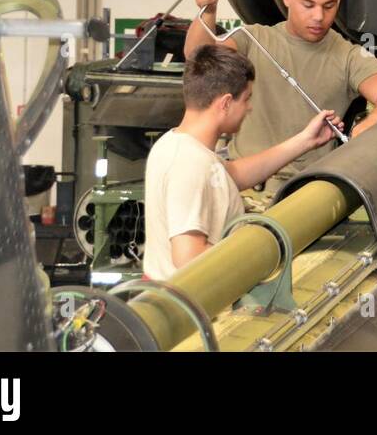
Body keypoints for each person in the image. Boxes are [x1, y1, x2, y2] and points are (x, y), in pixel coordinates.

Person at [185, 0, 377, 197]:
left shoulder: (348, 56)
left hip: (306, 196)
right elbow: (199, 57)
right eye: (308, 5)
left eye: (328, 6)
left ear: (339, 0)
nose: (319, 17)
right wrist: (208, 12)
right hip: (245, 188)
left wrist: (373, 121)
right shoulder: (254, 40)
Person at [144, 45, 341, 280]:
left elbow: (232, 175)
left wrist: (306, 140)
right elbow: (188, 257)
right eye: (246, 99)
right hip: (196, 307)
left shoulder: (177, 145)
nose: (249, 108)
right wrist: (259, 259)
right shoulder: (189, 163)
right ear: (226, 103)